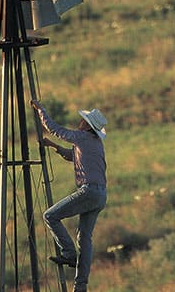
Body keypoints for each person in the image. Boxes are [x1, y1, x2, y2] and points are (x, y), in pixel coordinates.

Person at [30, 99, 108, 292]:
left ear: (87, 126)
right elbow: (72, 156)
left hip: (89, 190)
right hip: (100, 195)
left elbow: (55, 129)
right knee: (85, 239)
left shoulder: (81, 137)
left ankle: (69, 253)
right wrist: (53, 146)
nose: (80, 121)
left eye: (83, 121)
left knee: (50, 216)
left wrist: (41, 110)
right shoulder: (95, 143)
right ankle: (80, 287)